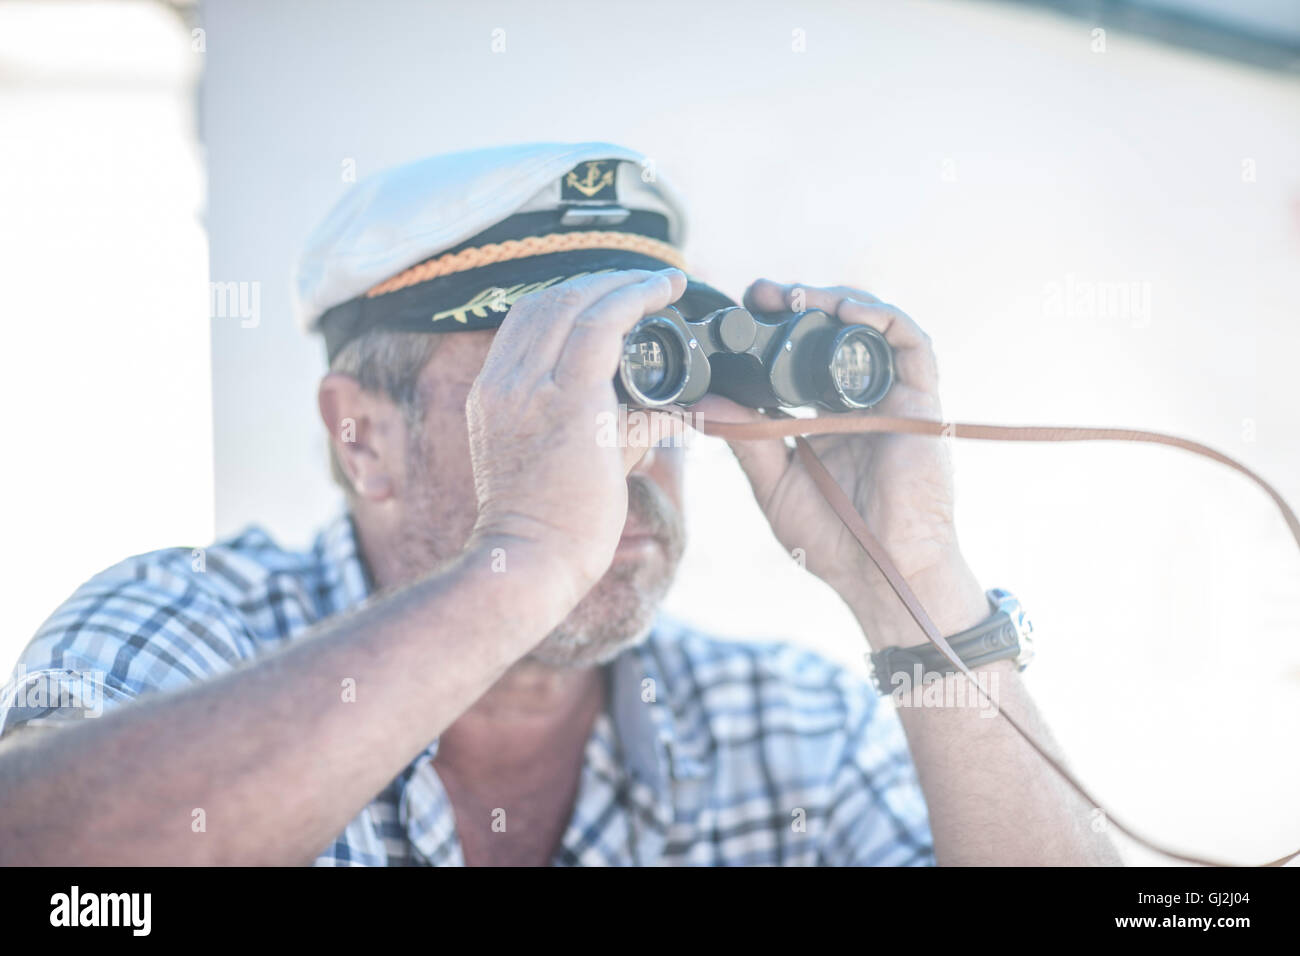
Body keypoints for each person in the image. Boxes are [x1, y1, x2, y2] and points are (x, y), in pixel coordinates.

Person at [0, 142, 1118, 866]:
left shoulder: (787, 730)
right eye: (547, 378)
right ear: (363, 433)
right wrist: (524, 555)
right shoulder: (187, 630)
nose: (628, 442)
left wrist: (910, 583)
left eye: (647, 369)